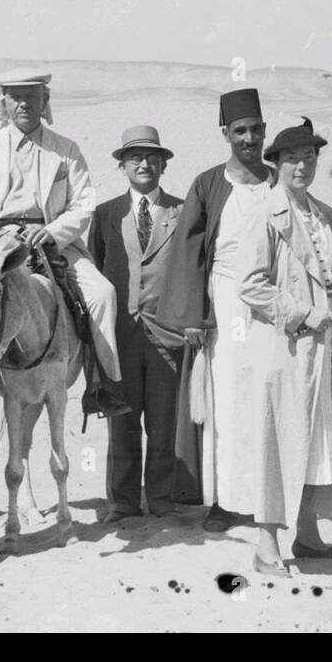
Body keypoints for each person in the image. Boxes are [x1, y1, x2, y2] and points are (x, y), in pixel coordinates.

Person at [0, 68, 126, 418]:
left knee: (102, 294)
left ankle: (100, 383)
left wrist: (53, 232)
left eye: (32, 96)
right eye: (16, 96)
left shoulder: (66, 150)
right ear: (4, 102)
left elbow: (84, 203)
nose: (24, 103)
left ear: (45, 101)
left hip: (50, 243)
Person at [237, 117, 332, 576]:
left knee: (315, 440)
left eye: (308, 157)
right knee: (276, 441)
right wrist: (303, 312)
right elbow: (250, 285)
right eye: (291, 158)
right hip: (282, 347)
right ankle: (265, 545)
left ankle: (308, 534)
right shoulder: (265, 212)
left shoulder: (324, 213)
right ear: (276, 164)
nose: (301, 166)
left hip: (321, 352)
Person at [159, 88, 273, 532]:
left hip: (272, 303)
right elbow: (189, 251)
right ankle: (225, 500)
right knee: (227, 401)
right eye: (240, 130)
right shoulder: (209, 184)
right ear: (225, 133)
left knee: (266, 395)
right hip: (225, 303)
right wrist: (193, 317)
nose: (250, 138)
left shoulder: (278, 180)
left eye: (257, 130)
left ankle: (267, 496)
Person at [89, 126, 197, 521]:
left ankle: (162, 498)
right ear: (122, 166)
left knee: (164, 421)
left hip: (168, 334)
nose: (144, 163)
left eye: (152, 157)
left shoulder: (184, 211)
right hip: (119, 336)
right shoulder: (105, 215)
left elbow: (192, 271)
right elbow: (95, 274)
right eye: (134, 157)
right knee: (122, 421)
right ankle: (122, 501)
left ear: (164, 164)